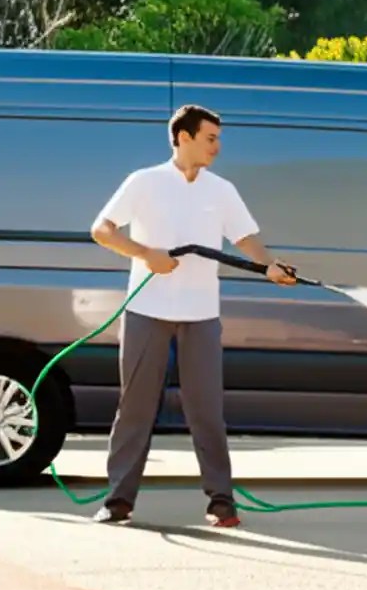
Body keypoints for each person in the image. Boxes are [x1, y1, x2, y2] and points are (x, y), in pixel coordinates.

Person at [88, 104, 297, 528]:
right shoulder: (144, 182)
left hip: (201, 315)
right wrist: (147, 255)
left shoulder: (220, 190)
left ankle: (222, 503)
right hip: (147, 311)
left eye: (218, 139)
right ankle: (117, 501)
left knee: (206, 409)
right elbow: (102, 230)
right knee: (136, 407)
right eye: (210, 138)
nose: (218, 147)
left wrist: (270, 266)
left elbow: (246, 237)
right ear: (183, 138)